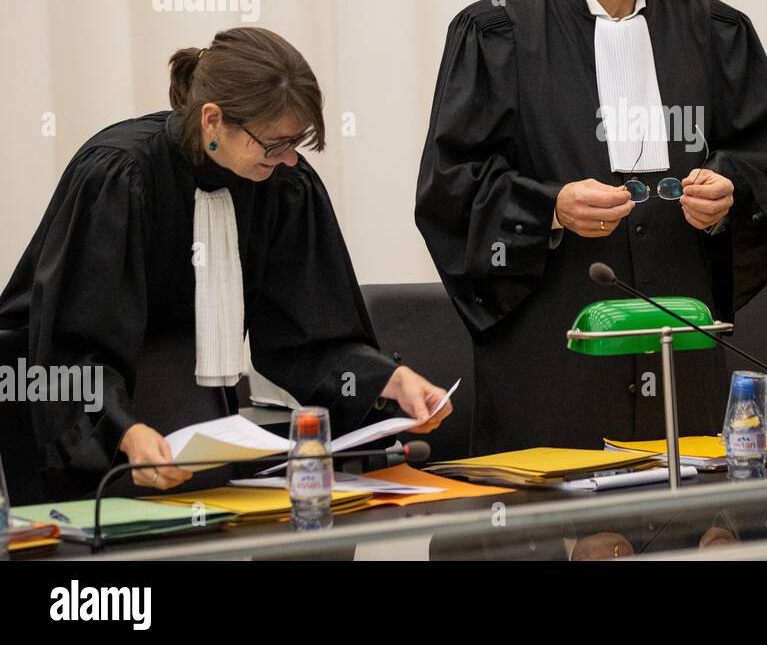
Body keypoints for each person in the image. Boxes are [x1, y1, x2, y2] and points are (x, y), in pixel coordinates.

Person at [416, 0, 767, 455]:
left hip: (682, 359)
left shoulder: (718, 31)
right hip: (555, 370)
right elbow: (449, 189)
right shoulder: (497, 37)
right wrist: (549, 207)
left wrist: (732, 190)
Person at [0, 27, 452, 504]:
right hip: (67, 417)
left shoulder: (281, 184)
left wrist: (387, 380)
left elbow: (307, 335)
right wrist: (123, 432)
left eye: (297, 141)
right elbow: (72, 344)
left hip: (180, 415)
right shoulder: (120, 176)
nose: (290, 158)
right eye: (274, 143)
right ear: (213, 120)